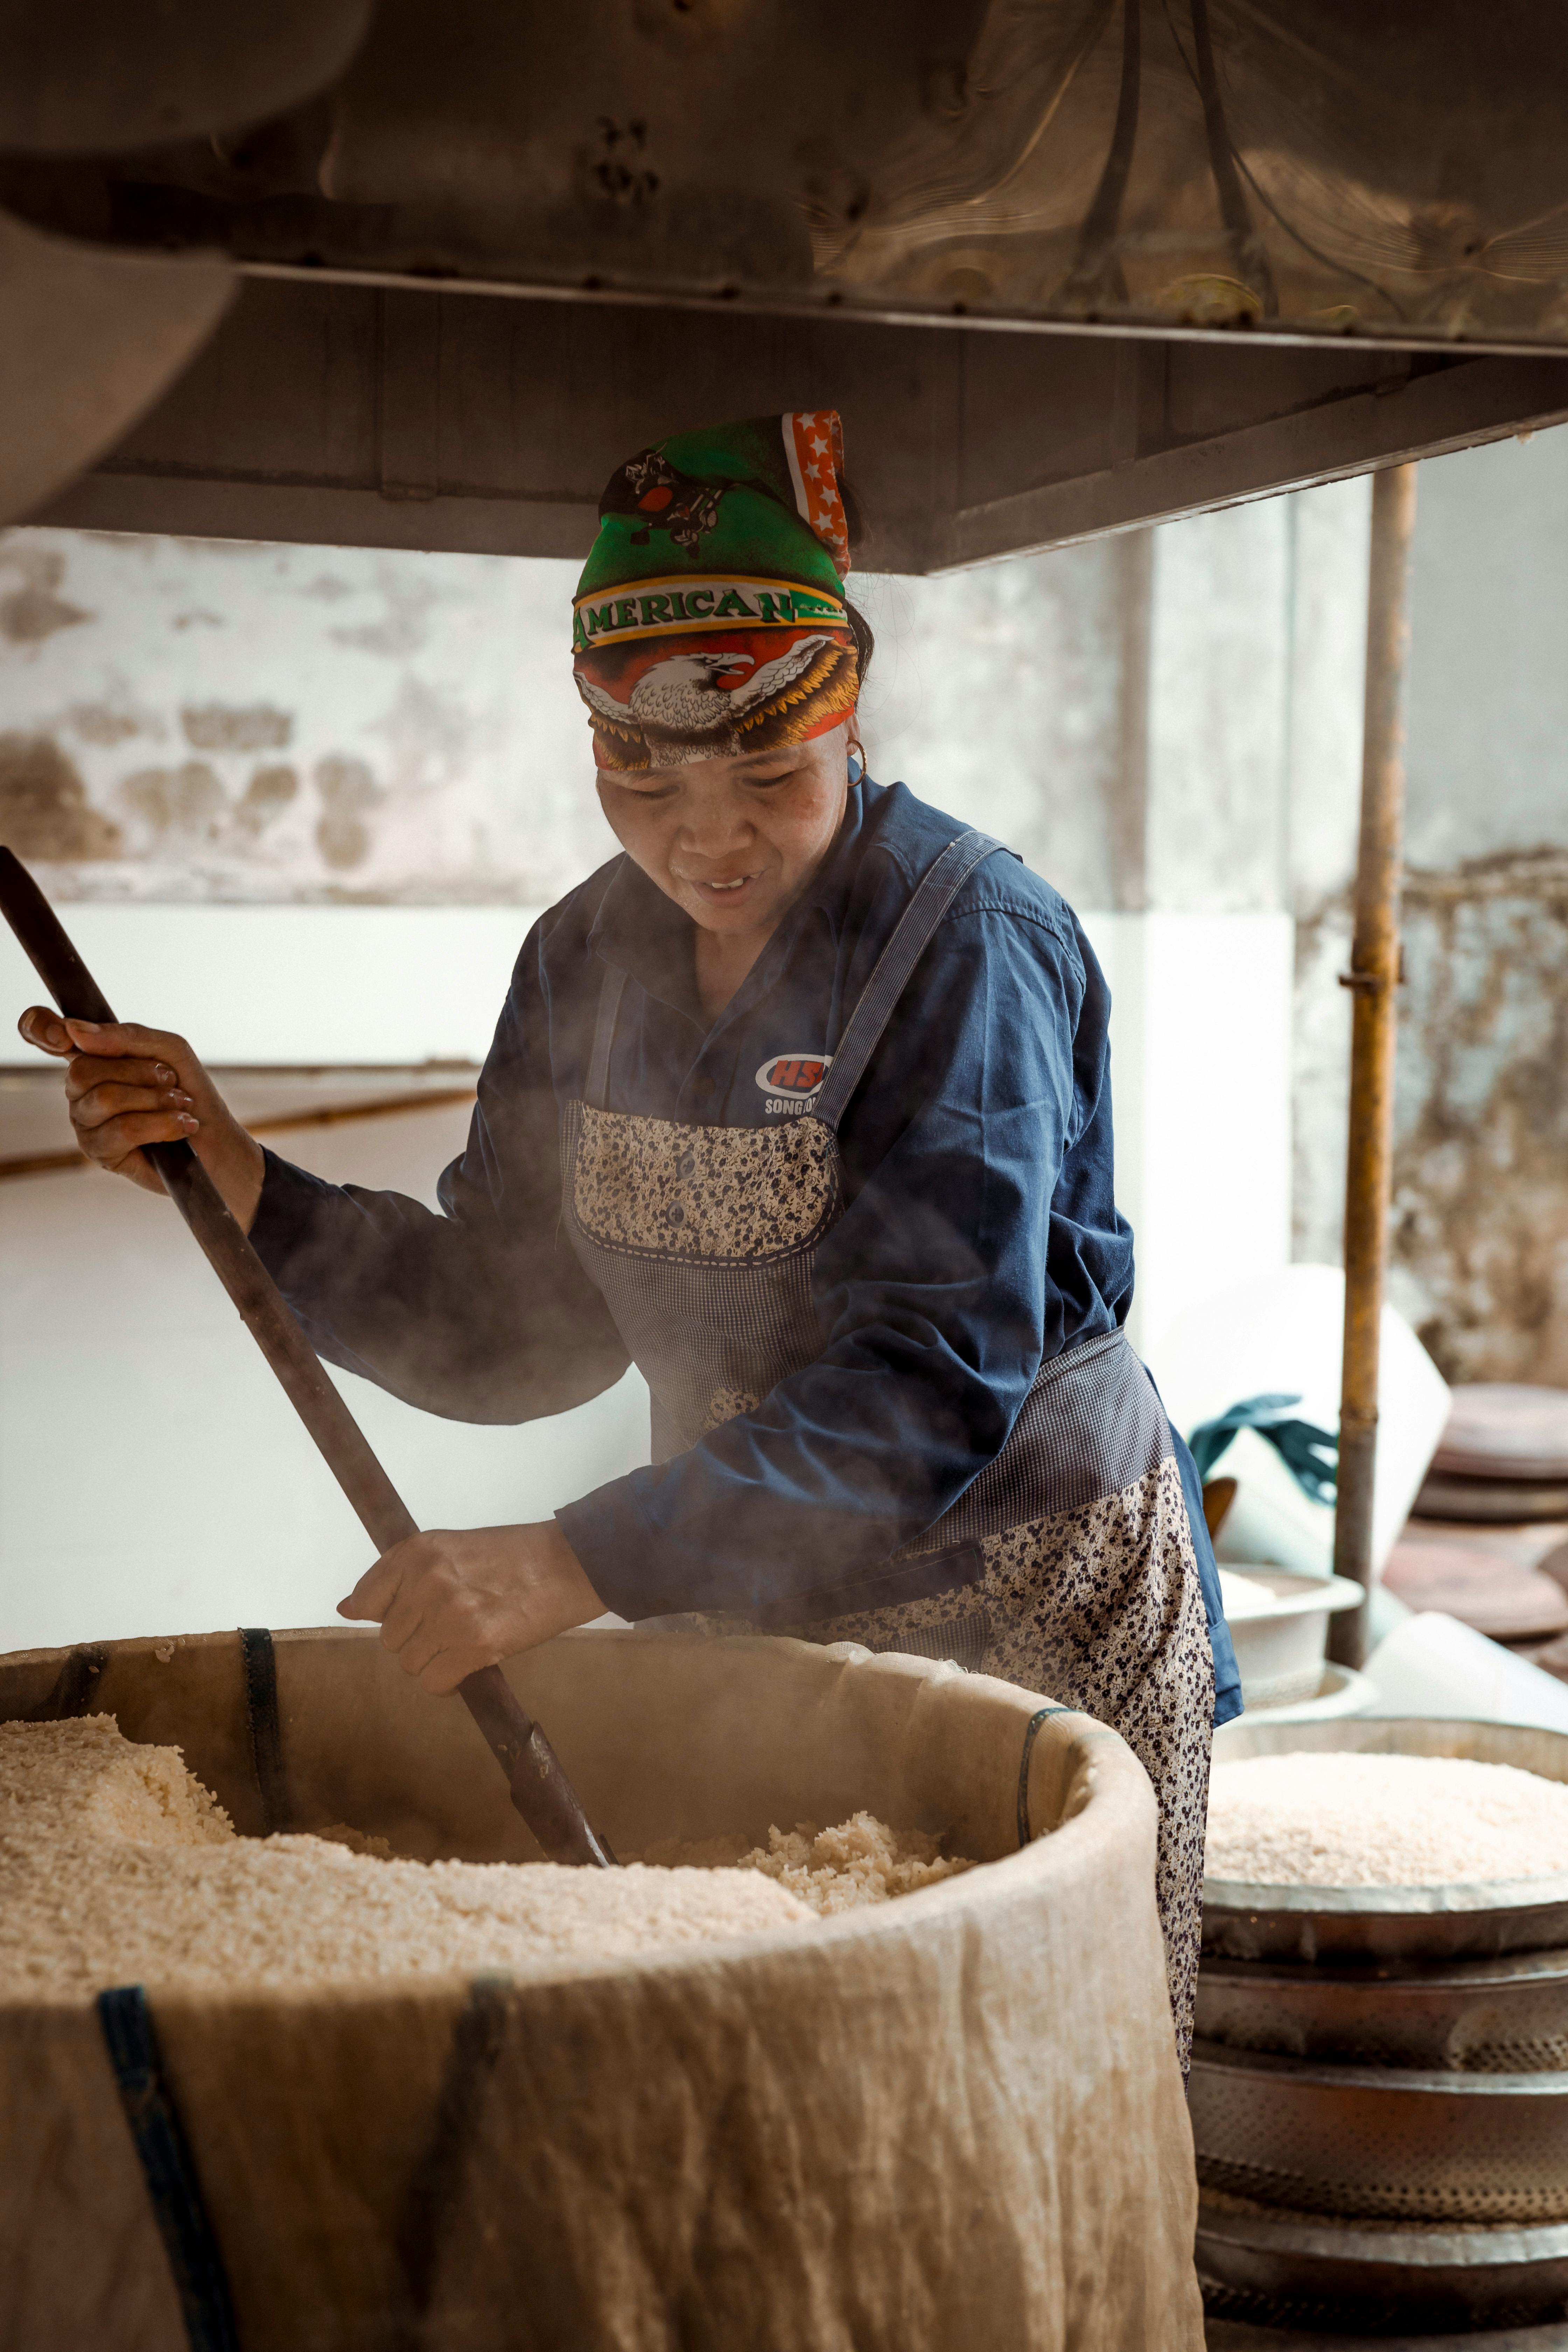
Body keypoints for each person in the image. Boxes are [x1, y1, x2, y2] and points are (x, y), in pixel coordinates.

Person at [20, 409, 1239, 2063]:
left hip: (1014, 1615)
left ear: (849, 715)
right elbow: (509, 1321)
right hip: (746, 1603)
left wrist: (571, 1563)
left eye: (768, 776)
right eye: (646, 781)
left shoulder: (971, 946)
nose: (707, 837)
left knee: (1022, 2088)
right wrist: (238, 1176)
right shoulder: (582, 961)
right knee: (785, 2078)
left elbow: (932, 1386)